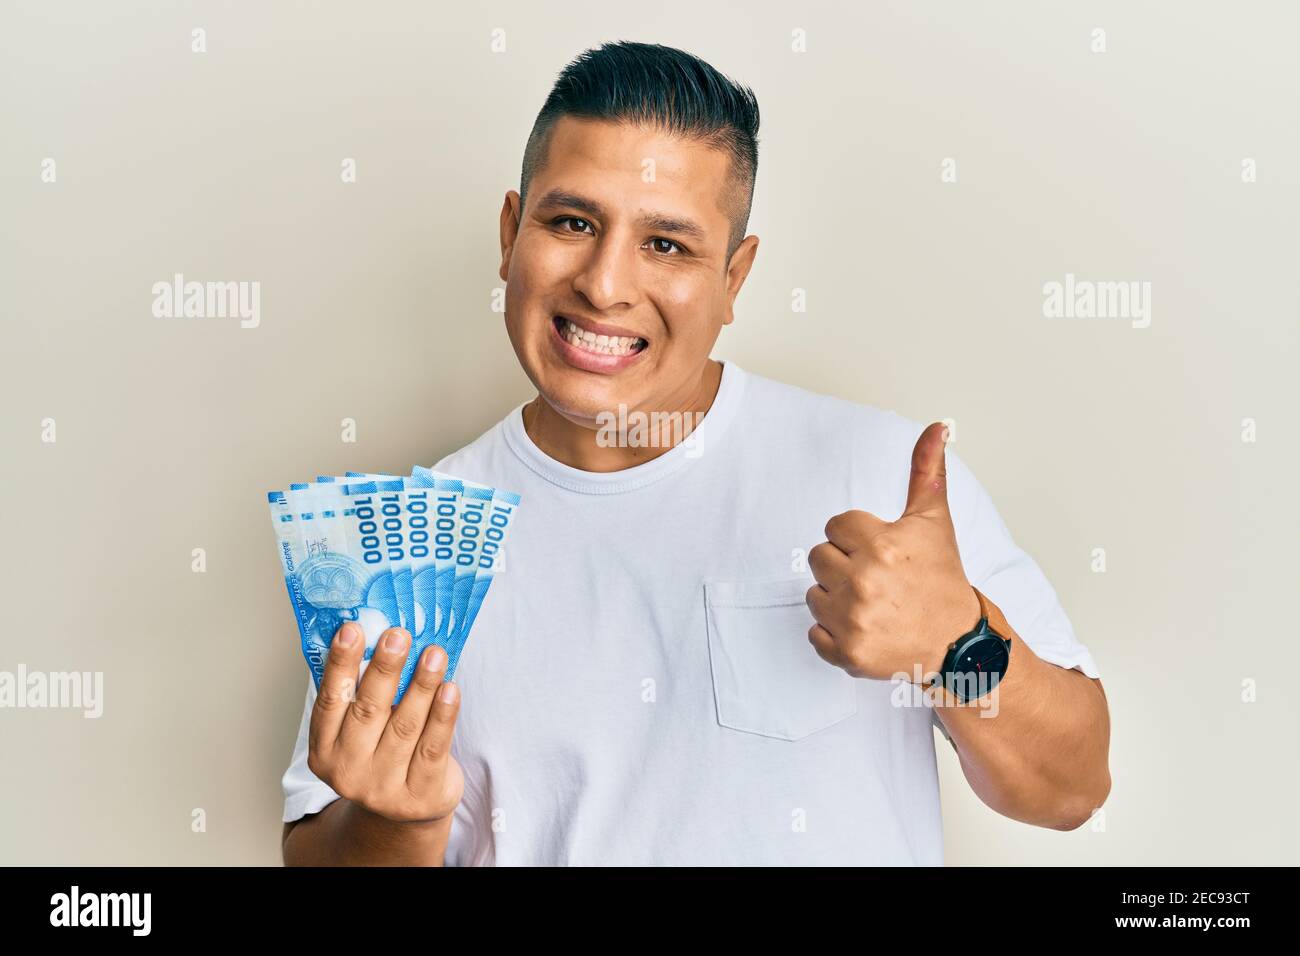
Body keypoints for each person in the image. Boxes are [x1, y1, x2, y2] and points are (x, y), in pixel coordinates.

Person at [280, 40, 1110, 866]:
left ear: (735, 279)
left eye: (667, 245)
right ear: (510, 234)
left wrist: (957, 647)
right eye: (572, 222)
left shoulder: (885, 477)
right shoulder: (414, 541)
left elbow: (1070, 790)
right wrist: (402, 824)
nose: (605, 285)